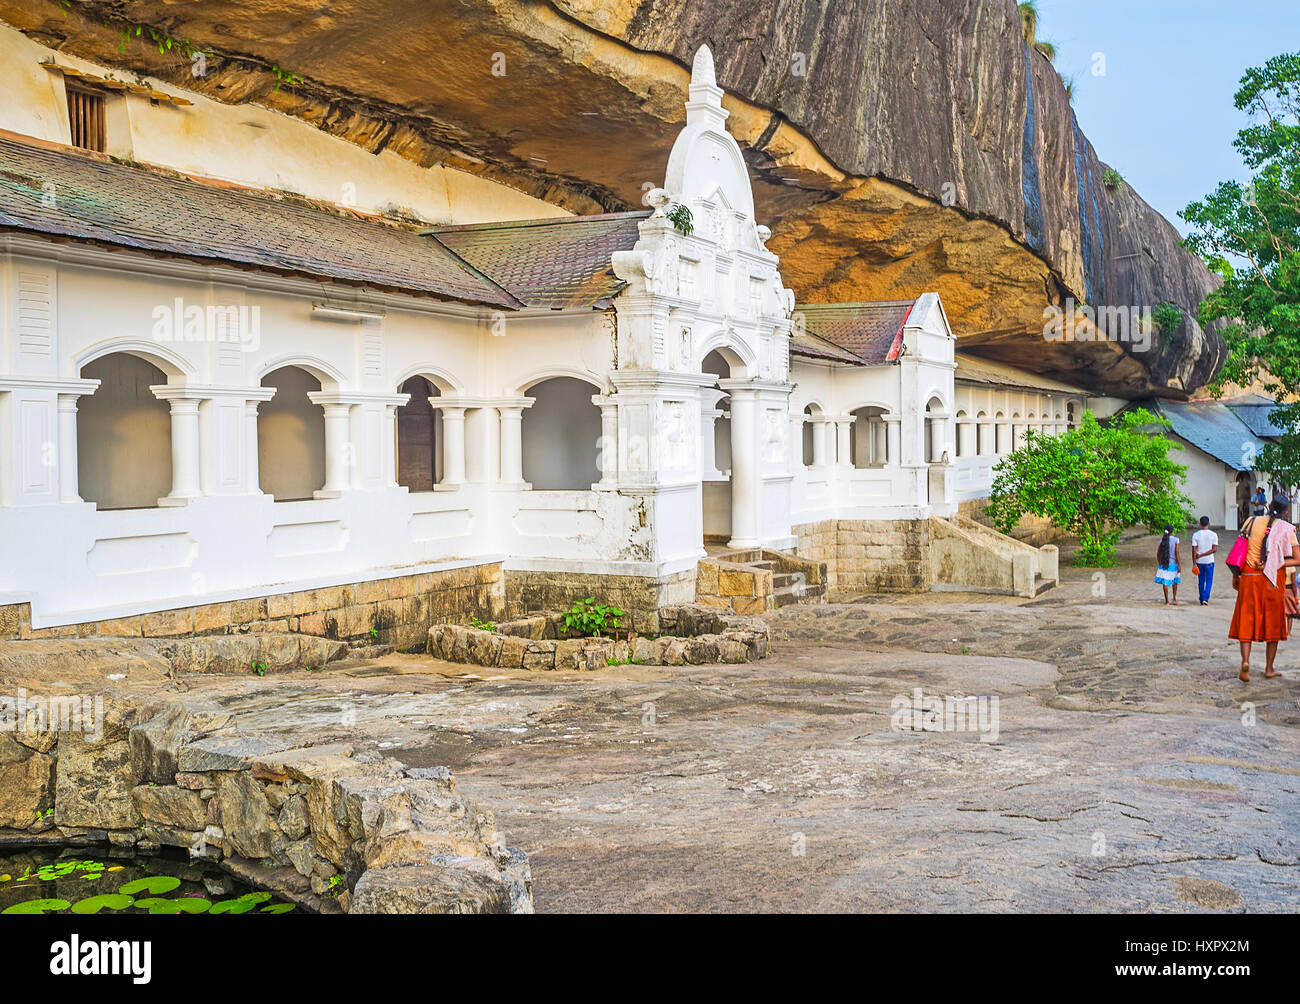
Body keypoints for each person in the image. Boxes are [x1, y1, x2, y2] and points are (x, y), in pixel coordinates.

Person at [1229, 498, 1300, 681]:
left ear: (1268, 506)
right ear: (1286, 512)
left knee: (1246, 619)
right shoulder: (1287, 529)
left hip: (1249, 577)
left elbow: (1240, 550)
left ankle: (1245, 661)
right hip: (1272, 581)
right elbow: (1298, 559)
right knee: (1273, 623)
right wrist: (1273, 562)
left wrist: (1236, 576)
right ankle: (1269, 668)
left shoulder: (1250, 521)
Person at [1191, 516, 1218, 605]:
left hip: (1199, 561)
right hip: (1210, 560)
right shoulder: (1214, 535)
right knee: (1209, 580)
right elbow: (1214, 549)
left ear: (1200, 524)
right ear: (1209, 524)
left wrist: (1194, 563)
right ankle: (1205, 598)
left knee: (1201, 580)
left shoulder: (1196, 535)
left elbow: (1194, 550)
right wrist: (1203, 554)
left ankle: (1202, 597)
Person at [1154, 525, 1181, 605]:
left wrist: (1159, 563)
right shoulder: (1176, 540)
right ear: (1172, 531)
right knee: (1174, 582)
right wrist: (1179, 564)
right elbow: (1177, 553)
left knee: (1165, 583)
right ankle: (1174, 599)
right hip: (1173, 564)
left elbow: (1158, 553)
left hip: (1164, 564)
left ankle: (1166, 601)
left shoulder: (1162, 540)